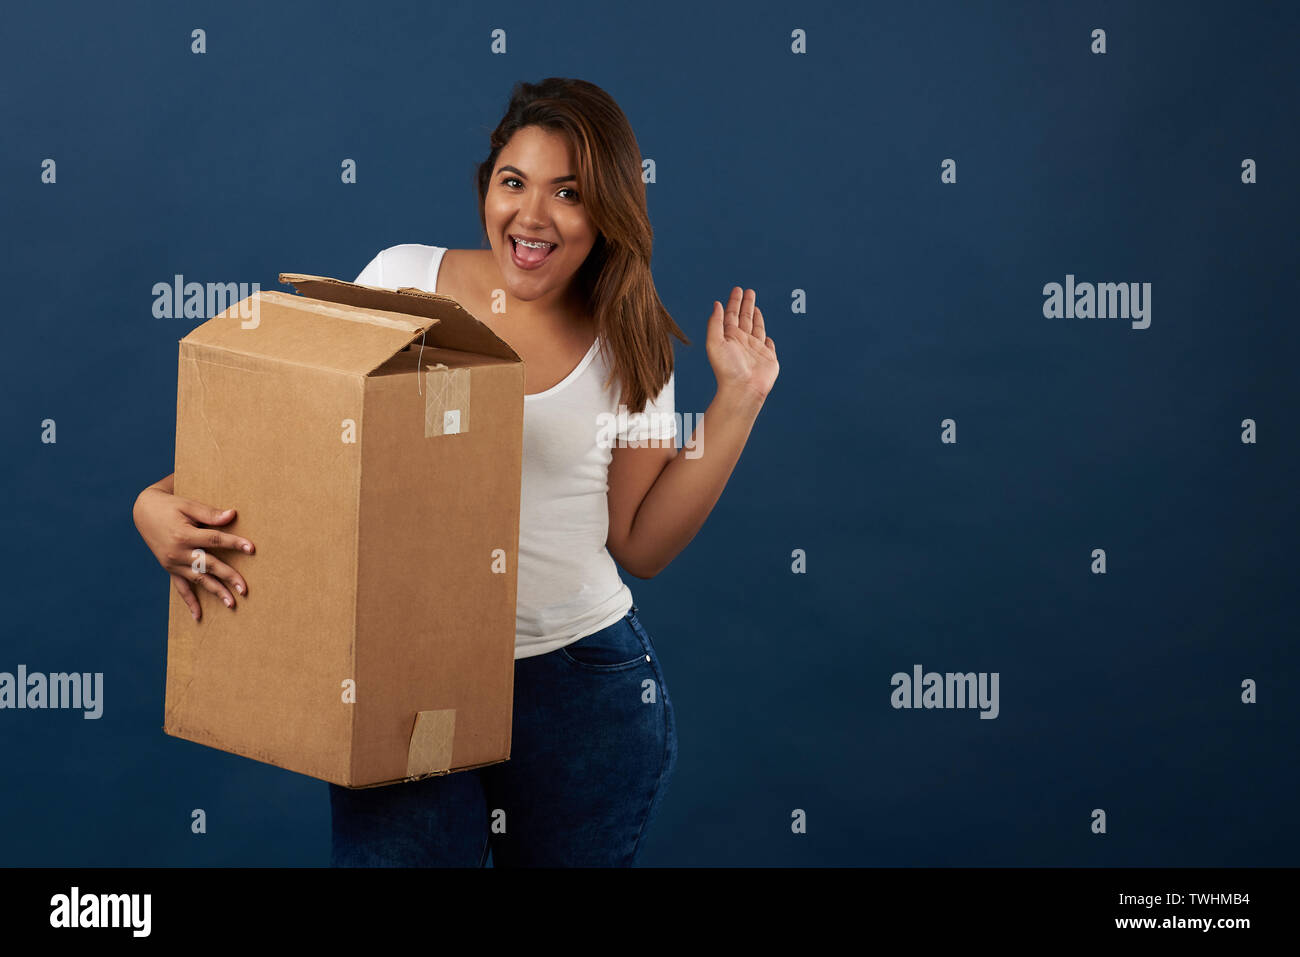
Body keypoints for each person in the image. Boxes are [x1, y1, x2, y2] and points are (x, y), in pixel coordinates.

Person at [132, 77, 779, 866]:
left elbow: (639, 542)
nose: (531, 216)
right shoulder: (402, 281)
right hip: (407, 673)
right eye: (514, 182)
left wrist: (737, 401)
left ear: (606, 211)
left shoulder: (626, 339)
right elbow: (294, 440)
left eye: (567, 193)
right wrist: (152, 504)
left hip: (578, 689)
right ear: (488, 188)